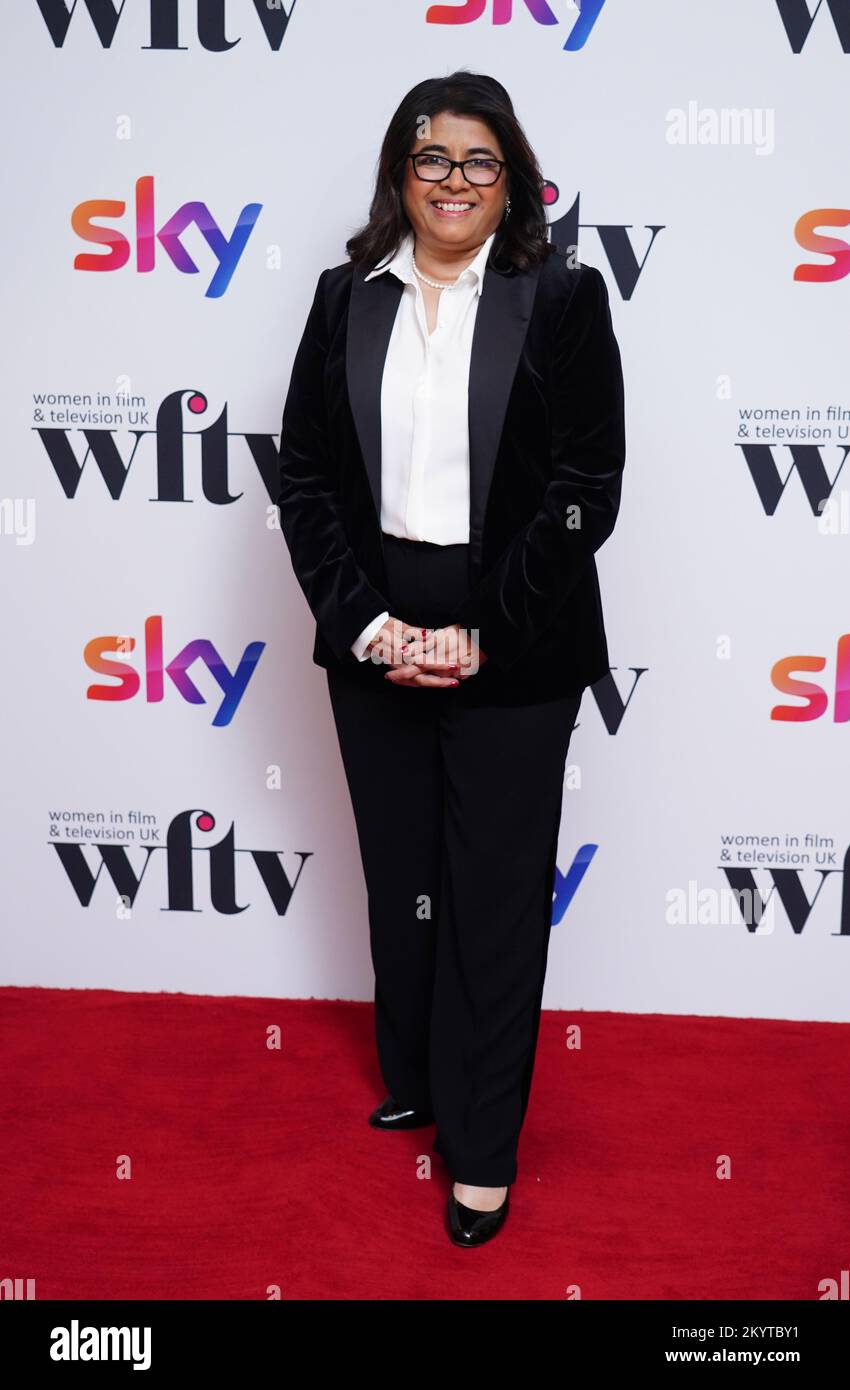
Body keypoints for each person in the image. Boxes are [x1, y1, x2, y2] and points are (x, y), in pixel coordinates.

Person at [276, 70, 626, 1248]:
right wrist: (372, 625)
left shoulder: (561, 300)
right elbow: (312, 480)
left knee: (488, 897)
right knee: (404, 874)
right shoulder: (344, 299)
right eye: (434, 160)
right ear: (401, 172)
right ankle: (419, 1073)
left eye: (481, 163)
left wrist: (481, 631)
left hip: (515, 635)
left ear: (512, 179)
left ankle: (480, 1151)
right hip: (374, 623)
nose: (455, 183)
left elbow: (584, 492)